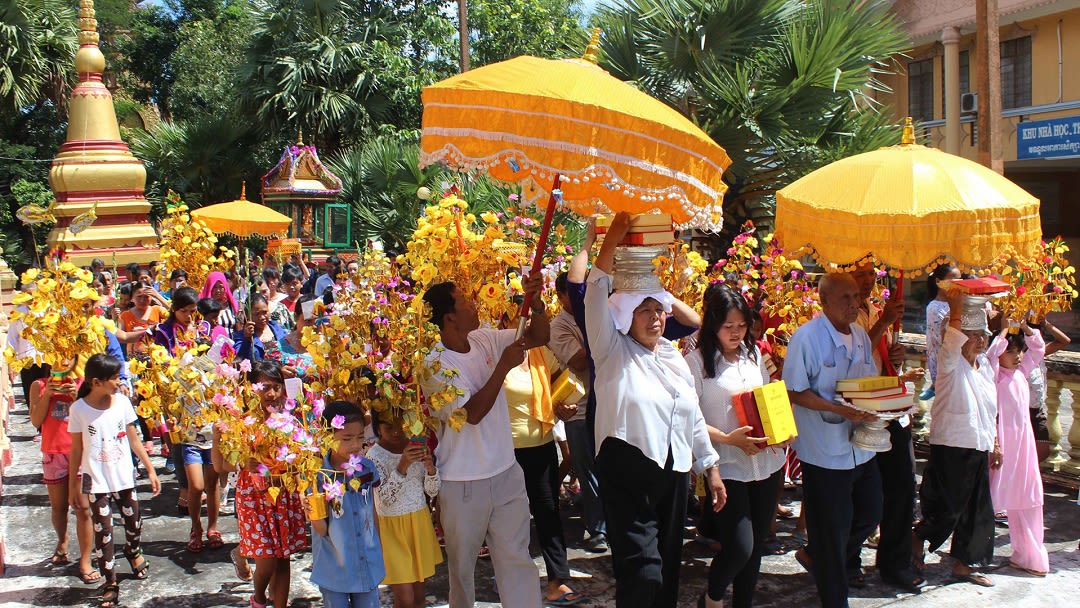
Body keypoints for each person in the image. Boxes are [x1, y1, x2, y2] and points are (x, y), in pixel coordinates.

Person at [585, 212, 723, 608]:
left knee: (666, 573)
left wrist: (710, 467)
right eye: (644, 311)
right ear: (626, 316)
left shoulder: (672, 355)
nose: (655, 318)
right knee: (642, 572)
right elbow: (595, 293)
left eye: (659, 310)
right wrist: (610, 239)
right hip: (627, 466)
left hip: (674, 471)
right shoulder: (611, 350)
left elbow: (692, 412)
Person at [419, 274, 549, 608]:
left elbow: (538, 335)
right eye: (464, 298)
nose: (472, 300)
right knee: (462, 573)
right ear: (450, 317)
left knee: (517, 560)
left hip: (506, 472)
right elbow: (469, 415)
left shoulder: (485, 339)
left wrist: (535, 304)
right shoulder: (434, 366)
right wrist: (503, 368)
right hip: (462, 485)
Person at [782, 272, 882, 608]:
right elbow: (795, 391)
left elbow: (867, 383)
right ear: (823, 301)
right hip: (823, 449)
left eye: (856, 297)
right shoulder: (806, 338)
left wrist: (885, 402)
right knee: (832, 529)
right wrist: (838, 410)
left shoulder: (859, 335)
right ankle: (834, 596)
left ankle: (819, 555)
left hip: (860, 445)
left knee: (870, 512)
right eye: (845, 298)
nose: (854, 304)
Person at [685, 285, 784, 608]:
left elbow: (768, 397)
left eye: (741, 326)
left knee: (755, 548)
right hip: (725, 465)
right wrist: (730, 440)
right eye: (729, 326)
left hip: (765, 462)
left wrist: (781, 429)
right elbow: (689, 419)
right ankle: (712, 598)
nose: (736, 333)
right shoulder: (695, 362)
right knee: (740, 545)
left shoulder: (753, 354)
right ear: (712, 324)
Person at [849, 264, 927, 594]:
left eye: (871, 274)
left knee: (903, 486)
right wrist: (881, 324)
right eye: (860, 274)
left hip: (891, 406)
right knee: (862, 493)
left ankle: (894, 562)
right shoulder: (842, 316)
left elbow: (885, 355)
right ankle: (846, 558)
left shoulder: (879, 309)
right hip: (860, 409)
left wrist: (896, 352)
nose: (868, 281)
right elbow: (853, 356)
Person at [913, 287, 998, 587]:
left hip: (978, 443)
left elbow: (990, 407)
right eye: (974, 335)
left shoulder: (984, 366)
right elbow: (952, 339)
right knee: (948, 507)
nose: (980, 340)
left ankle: (964, 562)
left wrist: (995, 442)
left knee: (976, 508)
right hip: (952, 443)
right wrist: (957, 308)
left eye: (983, 335)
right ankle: (916, 537)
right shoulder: (950, 363)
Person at [67, 353, 161, 608]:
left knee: (134, 523)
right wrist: (73, 485)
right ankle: (110, 581)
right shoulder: (78, 409)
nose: (119, 383)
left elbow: (133, 439)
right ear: (96, 382)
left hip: (124, 478)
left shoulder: (122, 403)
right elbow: (75, 449)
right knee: (104, 532)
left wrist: (151, 469)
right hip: (95, 481)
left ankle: (133, 550)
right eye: (114, 378)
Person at [501, 316, 582, 606]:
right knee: (509, 521)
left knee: (548, 513)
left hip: (542, 445)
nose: (536, 327)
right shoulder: (498, 352)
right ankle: (512, 582)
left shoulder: (542, 352)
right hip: (505, 452)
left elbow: (560, 382)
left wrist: (564, 406)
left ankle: (557, 582)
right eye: (529, 320)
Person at [212, 360, 307, 608]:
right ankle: (259, 597)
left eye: (276, 387)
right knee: (267, 560)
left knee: (282, 559)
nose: (271, 394)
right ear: (251, 390)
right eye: (264, 387)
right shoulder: (242, 424)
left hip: (283, 495)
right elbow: (222, 466)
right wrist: (243, 461)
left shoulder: (291, 423)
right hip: (253, 499)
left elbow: (299, 463)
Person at [154, 288, 223, 553]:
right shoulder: (163, 335)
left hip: (209, 412)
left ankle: (213, 526)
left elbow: (217, 369)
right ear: (174, 310)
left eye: (194, 312)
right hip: (184, 416)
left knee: (213, 482)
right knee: (195, 485)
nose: (190, 317)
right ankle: (195, 526)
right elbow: (161, 375)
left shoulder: (204, 333)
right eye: (185, 312)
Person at [550, 271, 606, 553]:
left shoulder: (598, 313)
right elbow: (580, 361)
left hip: (608, 404)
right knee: (588, 470)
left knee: (608, 467)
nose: (581, 299)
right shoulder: (558, 326)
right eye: (573, 293)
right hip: (579, 409)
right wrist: (603, 333)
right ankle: (596, 528)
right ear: (560, 297)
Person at [308, 400, 385, 608]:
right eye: (346, 438)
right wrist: (311, 509)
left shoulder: (367, 468)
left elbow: (373, 512)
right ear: (327, 437)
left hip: (367, 560)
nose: (355, 445)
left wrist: (378, 548)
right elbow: (322, 530)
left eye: (360, 437)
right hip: (335, 564)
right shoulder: (317, 477)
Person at [987, 323, 1049, 576]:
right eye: (1012, 352)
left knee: (1029, 498)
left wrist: (1022, 325)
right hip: (1003, 446)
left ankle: (1028, 554)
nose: (1019, 356)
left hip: (1024, 447)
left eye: (1019, 352)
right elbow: (990, 354)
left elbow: (1038, 348)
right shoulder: (994, 376)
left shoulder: (1021, 373)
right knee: (991, 499)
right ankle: (969, 554)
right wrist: (1003, 330)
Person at [29, 358, 97, 584]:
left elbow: (92, 420)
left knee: (83, 508)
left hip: (80, 454)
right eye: (57, 353)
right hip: (53, 453)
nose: (63, 359)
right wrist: (47, 394)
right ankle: (62, 541)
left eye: (69, 354)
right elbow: (35, 421)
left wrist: (75, 398)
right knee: (58, 507)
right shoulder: (38, 385)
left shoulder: (84, 384)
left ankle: (86, 560)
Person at [367, 408, 443, 608]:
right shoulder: (374, 455)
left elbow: (432, 491)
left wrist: (430, 470)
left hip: (418, 524)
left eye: (400, 426)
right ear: (377, 427)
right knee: (405, 598)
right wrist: (402, 465)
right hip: (392, 531)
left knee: (419, 597)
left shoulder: (416, 445)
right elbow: (384, 500)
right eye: (388, 427)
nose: (395, 432)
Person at [1028, 319, 1071, 461]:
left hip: (1037, 411)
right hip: (1021, 410)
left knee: (1042, 452)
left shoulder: (1040, 353)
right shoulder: (1020, 356)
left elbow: (1064, 341)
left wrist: (1046, 324)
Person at [922, 265, 961, 400]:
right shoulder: (934, 307)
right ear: (938, 282)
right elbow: (943, 340)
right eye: (952, 281)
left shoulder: (957, 304)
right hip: (944, 366)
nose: (957, 285)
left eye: (959, 281)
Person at [234, 293, 289, 364]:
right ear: (248, 315)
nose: (262, 317)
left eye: (265, 312)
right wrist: (247, 339)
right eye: (257, 314)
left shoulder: (279, 330)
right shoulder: (241, 337)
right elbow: (239, 358)